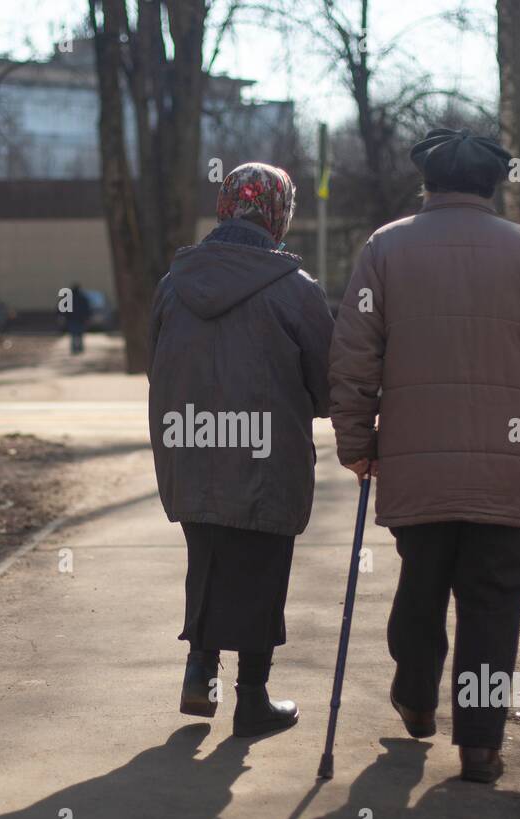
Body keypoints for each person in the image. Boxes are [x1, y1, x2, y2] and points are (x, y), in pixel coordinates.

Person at [328, 129, 520, 782]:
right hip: (508, 470)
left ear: (428, 183)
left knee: (421, 587)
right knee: (493, 607)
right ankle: (480, 745)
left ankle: (415, 696)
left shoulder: (386, 248)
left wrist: (357, 444)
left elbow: (354, 356)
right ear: (492, 185)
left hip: (417, 464)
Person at [148, 162, 334, 737]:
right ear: (279, 213)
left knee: (206, 558)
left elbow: (156, 364)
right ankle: (252, 699)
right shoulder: (296, 290)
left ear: (226, 207)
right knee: (261, 570)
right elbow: (327, 388)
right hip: (266, 456)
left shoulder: (173, 283)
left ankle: (199, 675)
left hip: (191, 446)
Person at [68, 283, 90, 354]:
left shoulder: (68, 299)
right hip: (81, 319)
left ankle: (74, 348)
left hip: (71, 319)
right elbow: (87, 309)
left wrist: (63, 316)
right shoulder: (82, 298)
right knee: (80, 334)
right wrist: (87, 317)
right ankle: (80, 348)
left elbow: (62, 309)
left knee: (73, 334)